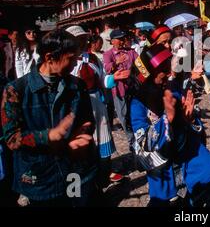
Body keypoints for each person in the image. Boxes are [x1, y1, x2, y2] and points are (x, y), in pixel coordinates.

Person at [1, 29, 98, 207]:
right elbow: (11, 138)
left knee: (76, 202)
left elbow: (88, 119)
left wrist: (81, 134)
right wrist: (48, 136)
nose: (75, 62)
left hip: (74, 169)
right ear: (49, 57)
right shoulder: (16, 91)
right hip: (40, 177)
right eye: (71, 58)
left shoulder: (77, 85)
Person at [130, 44, 210, 206]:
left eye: (168, 69)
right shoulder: (138, 105)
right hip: (164, 173)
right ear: (149, 78)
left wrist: (192, 120)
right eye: (162, 73)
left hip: (188, 165)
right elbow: (142, 146)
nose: (168, 75)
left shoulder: (172, 90)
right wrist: (167, 119)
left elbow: (194, 130)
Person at [66, 26, 125, 186]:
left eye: (84, 39)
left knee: (102, 137)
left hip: (96, 103)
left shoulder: (92, 59)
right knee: (83, 142)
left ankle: (104, 174)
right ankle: (86, 180)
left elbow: (103, 80)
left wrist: (114, 77)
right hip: (77, 106)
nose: (83, 42)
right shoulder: (66, 62)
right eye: (79, 39)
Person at [103, 29, 138, 149]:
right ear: (112, 41)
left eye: (123, 38)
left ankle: (138, 137)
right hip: (119, 90)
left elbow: (140, 65)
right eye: (120, 39)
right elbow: (107, 68)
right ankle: (131, 140)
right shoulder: (108, 54)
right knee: (123, 115)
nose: (123, 41)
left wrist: (133, 71)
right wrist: (116, 62)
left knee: (134, 112)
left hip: (133, 88)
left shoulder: (131, 52)